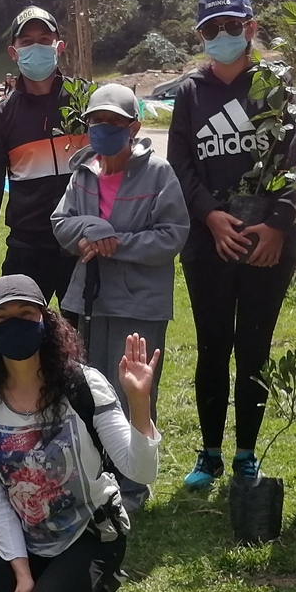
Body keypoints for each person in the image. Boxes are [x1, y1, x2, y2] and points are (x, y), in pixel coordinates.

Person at [0, 276, 161, 592]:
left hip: (89, 532)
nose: (15, 324)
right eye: (2, 319)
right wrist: (22, 573)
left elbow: (141, 472)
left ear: (46, 321)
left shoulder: (84, 386)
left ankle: (97, 586)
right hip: (23, 534)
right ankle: (46, 580)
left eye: (26, 314)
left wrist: (139, 404)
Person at [166, 0, 296, 494]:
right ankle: (210, 452)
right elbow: (179, 165)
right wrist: (211, 218)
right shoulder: (189, 93)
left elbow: (292, 161)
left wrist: (277, 225)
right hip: (209, 244)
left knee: (254, 347)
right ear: (200, 35)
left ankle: (247, 453)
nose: (221, 36)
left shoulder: (276, 89)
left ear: (251, 27)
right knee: (212, 346)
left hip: (268, 243)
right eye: (210, 29)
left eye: (231, 26)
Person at [50, 81, 188, 438]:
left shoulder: (159, 173)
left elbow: (172, 235)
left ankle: (133, 485)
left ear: (134, 128)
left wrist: (115, 242)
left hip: (139, 304)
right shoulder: (83, 172)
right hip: (91, 299)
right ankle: (103, 476)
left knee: (133, 393)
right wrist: (92, 228)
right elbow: (60, 223)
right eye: (96, 122)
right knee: (93, 391)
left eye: (114, 122)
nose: (103, 130)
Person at [0, 6, 85, 303]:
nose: (36, 47)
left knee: (86, 343)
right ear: (13, 52)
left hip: (83, 245)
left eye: (44, 39)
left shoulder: (86, 102)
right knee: (22, 342)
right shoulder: (3, 115)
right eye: (27, 41)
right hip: (29, 248)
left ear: (60, 46)